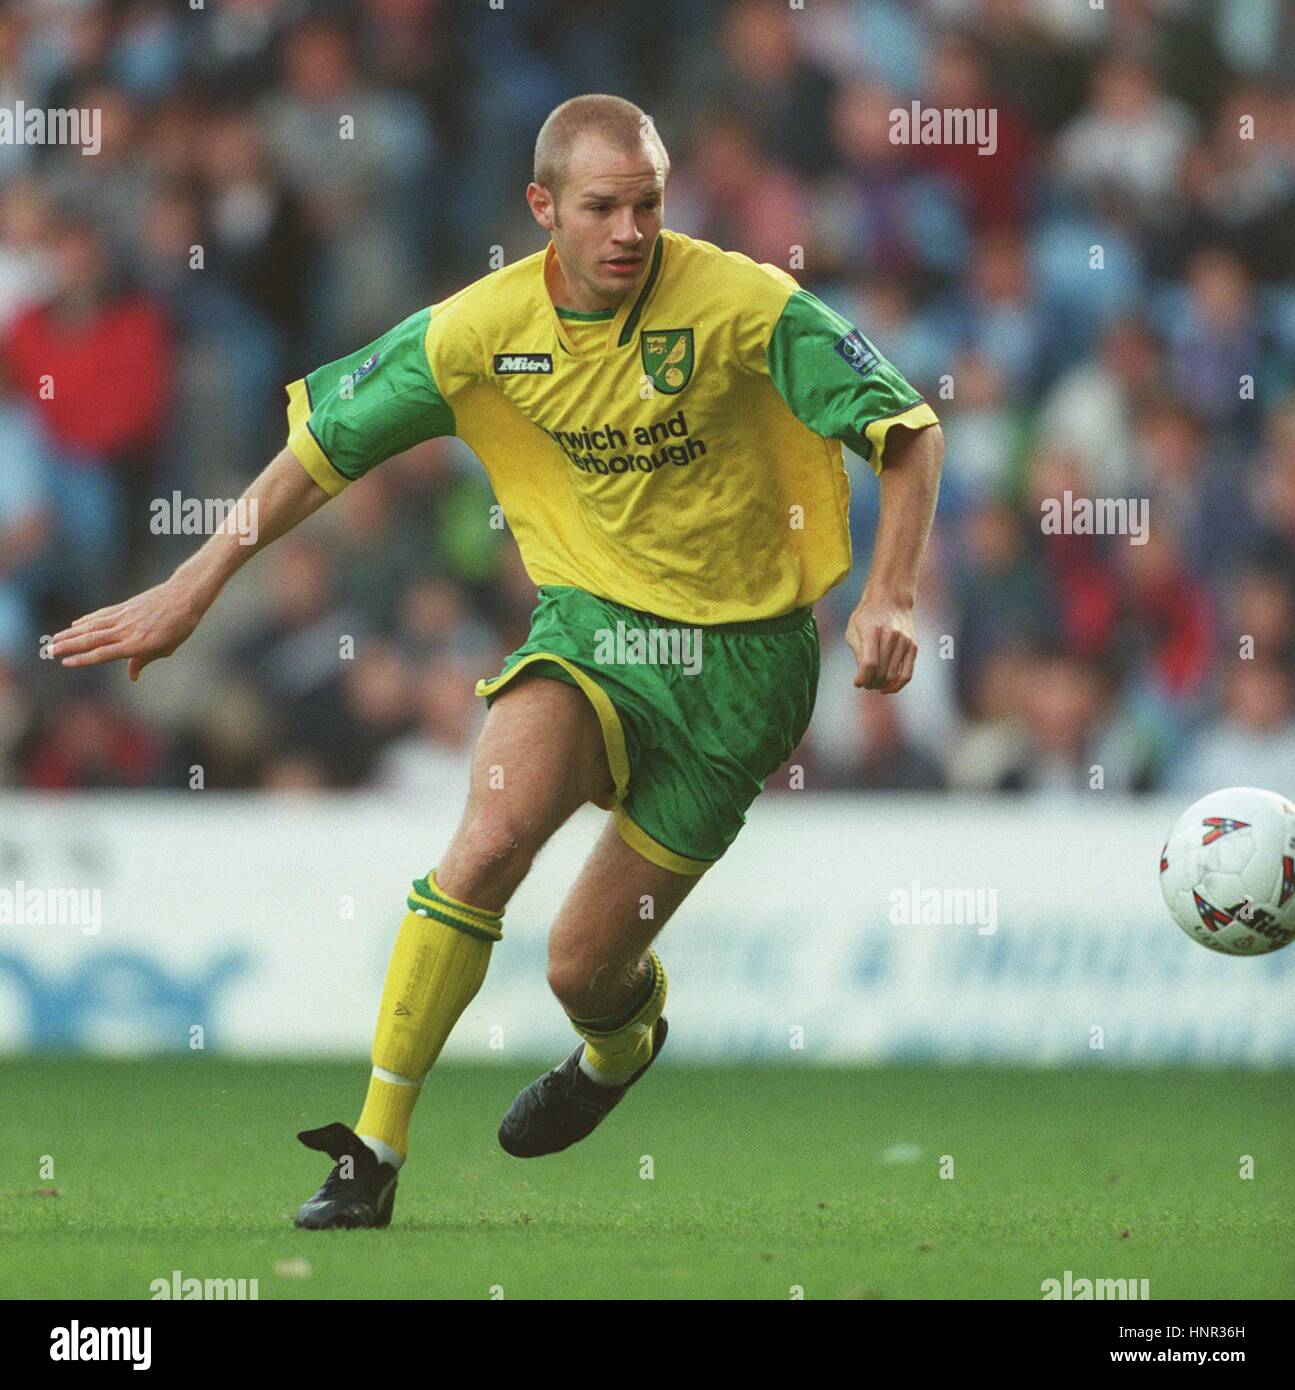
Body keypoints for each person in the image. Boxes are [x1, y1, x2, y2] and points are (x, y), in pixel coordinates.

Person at [51, 94, 943, 1230]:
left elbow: (907, 431)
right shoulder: (479, 330)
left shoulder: (742, 303)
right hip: (592, 632)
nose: (630, 230)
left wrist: (892, 591)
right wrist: (193, 583)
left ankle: (617, 1049)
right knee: (485, 837)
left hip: (744, 671)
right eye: (601, 207)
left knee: (581, 971)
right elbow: (317, 453)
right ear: (542, 208)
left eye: (648, 205)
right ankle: (370, 1152)